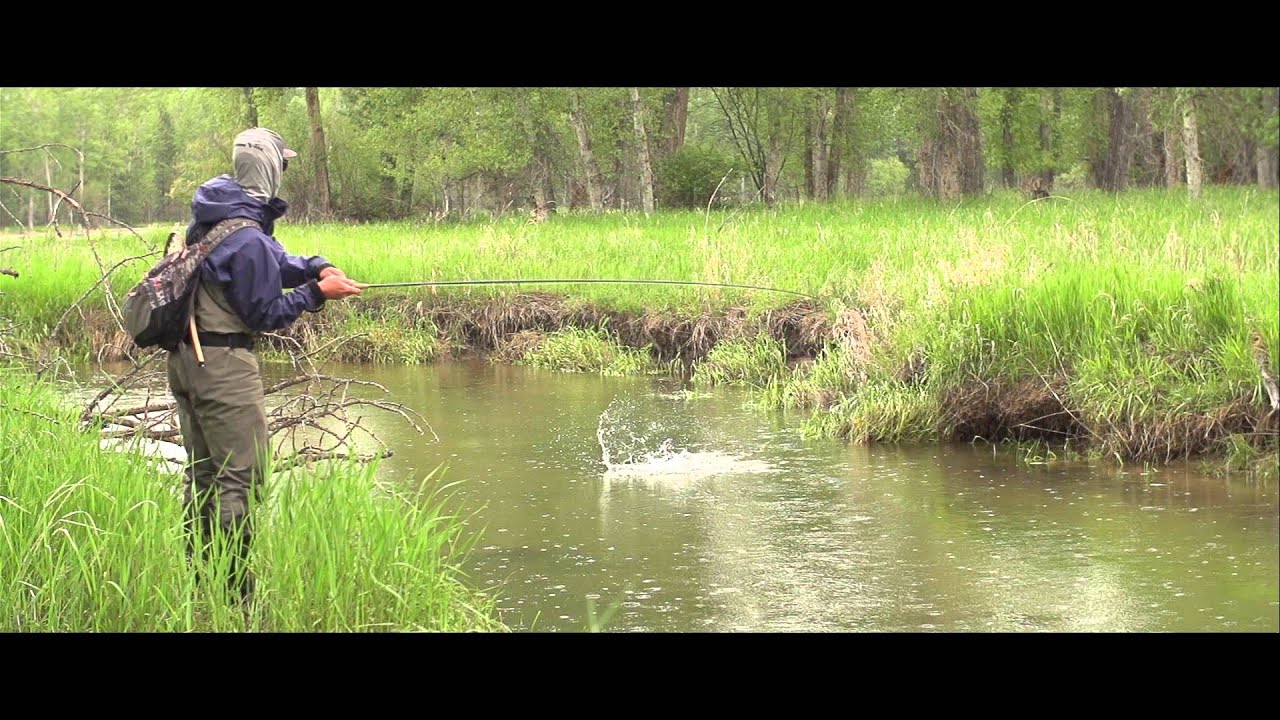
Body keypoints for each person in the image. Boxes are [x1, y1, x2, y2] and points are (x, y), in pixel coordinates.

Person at [168, 127, 366, 606]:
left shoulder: (218, 218)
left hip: (187, 361)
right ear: (269, 167)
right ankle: (236, 595)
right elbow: (265, 313)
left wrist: (316, 267)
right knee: (243, 477)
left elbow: (272, 260)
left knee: (204, 475)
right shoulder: (247, 234)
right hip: (223, 365)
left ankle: (203, 582)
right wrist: (318, 294)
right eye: (284, 164)